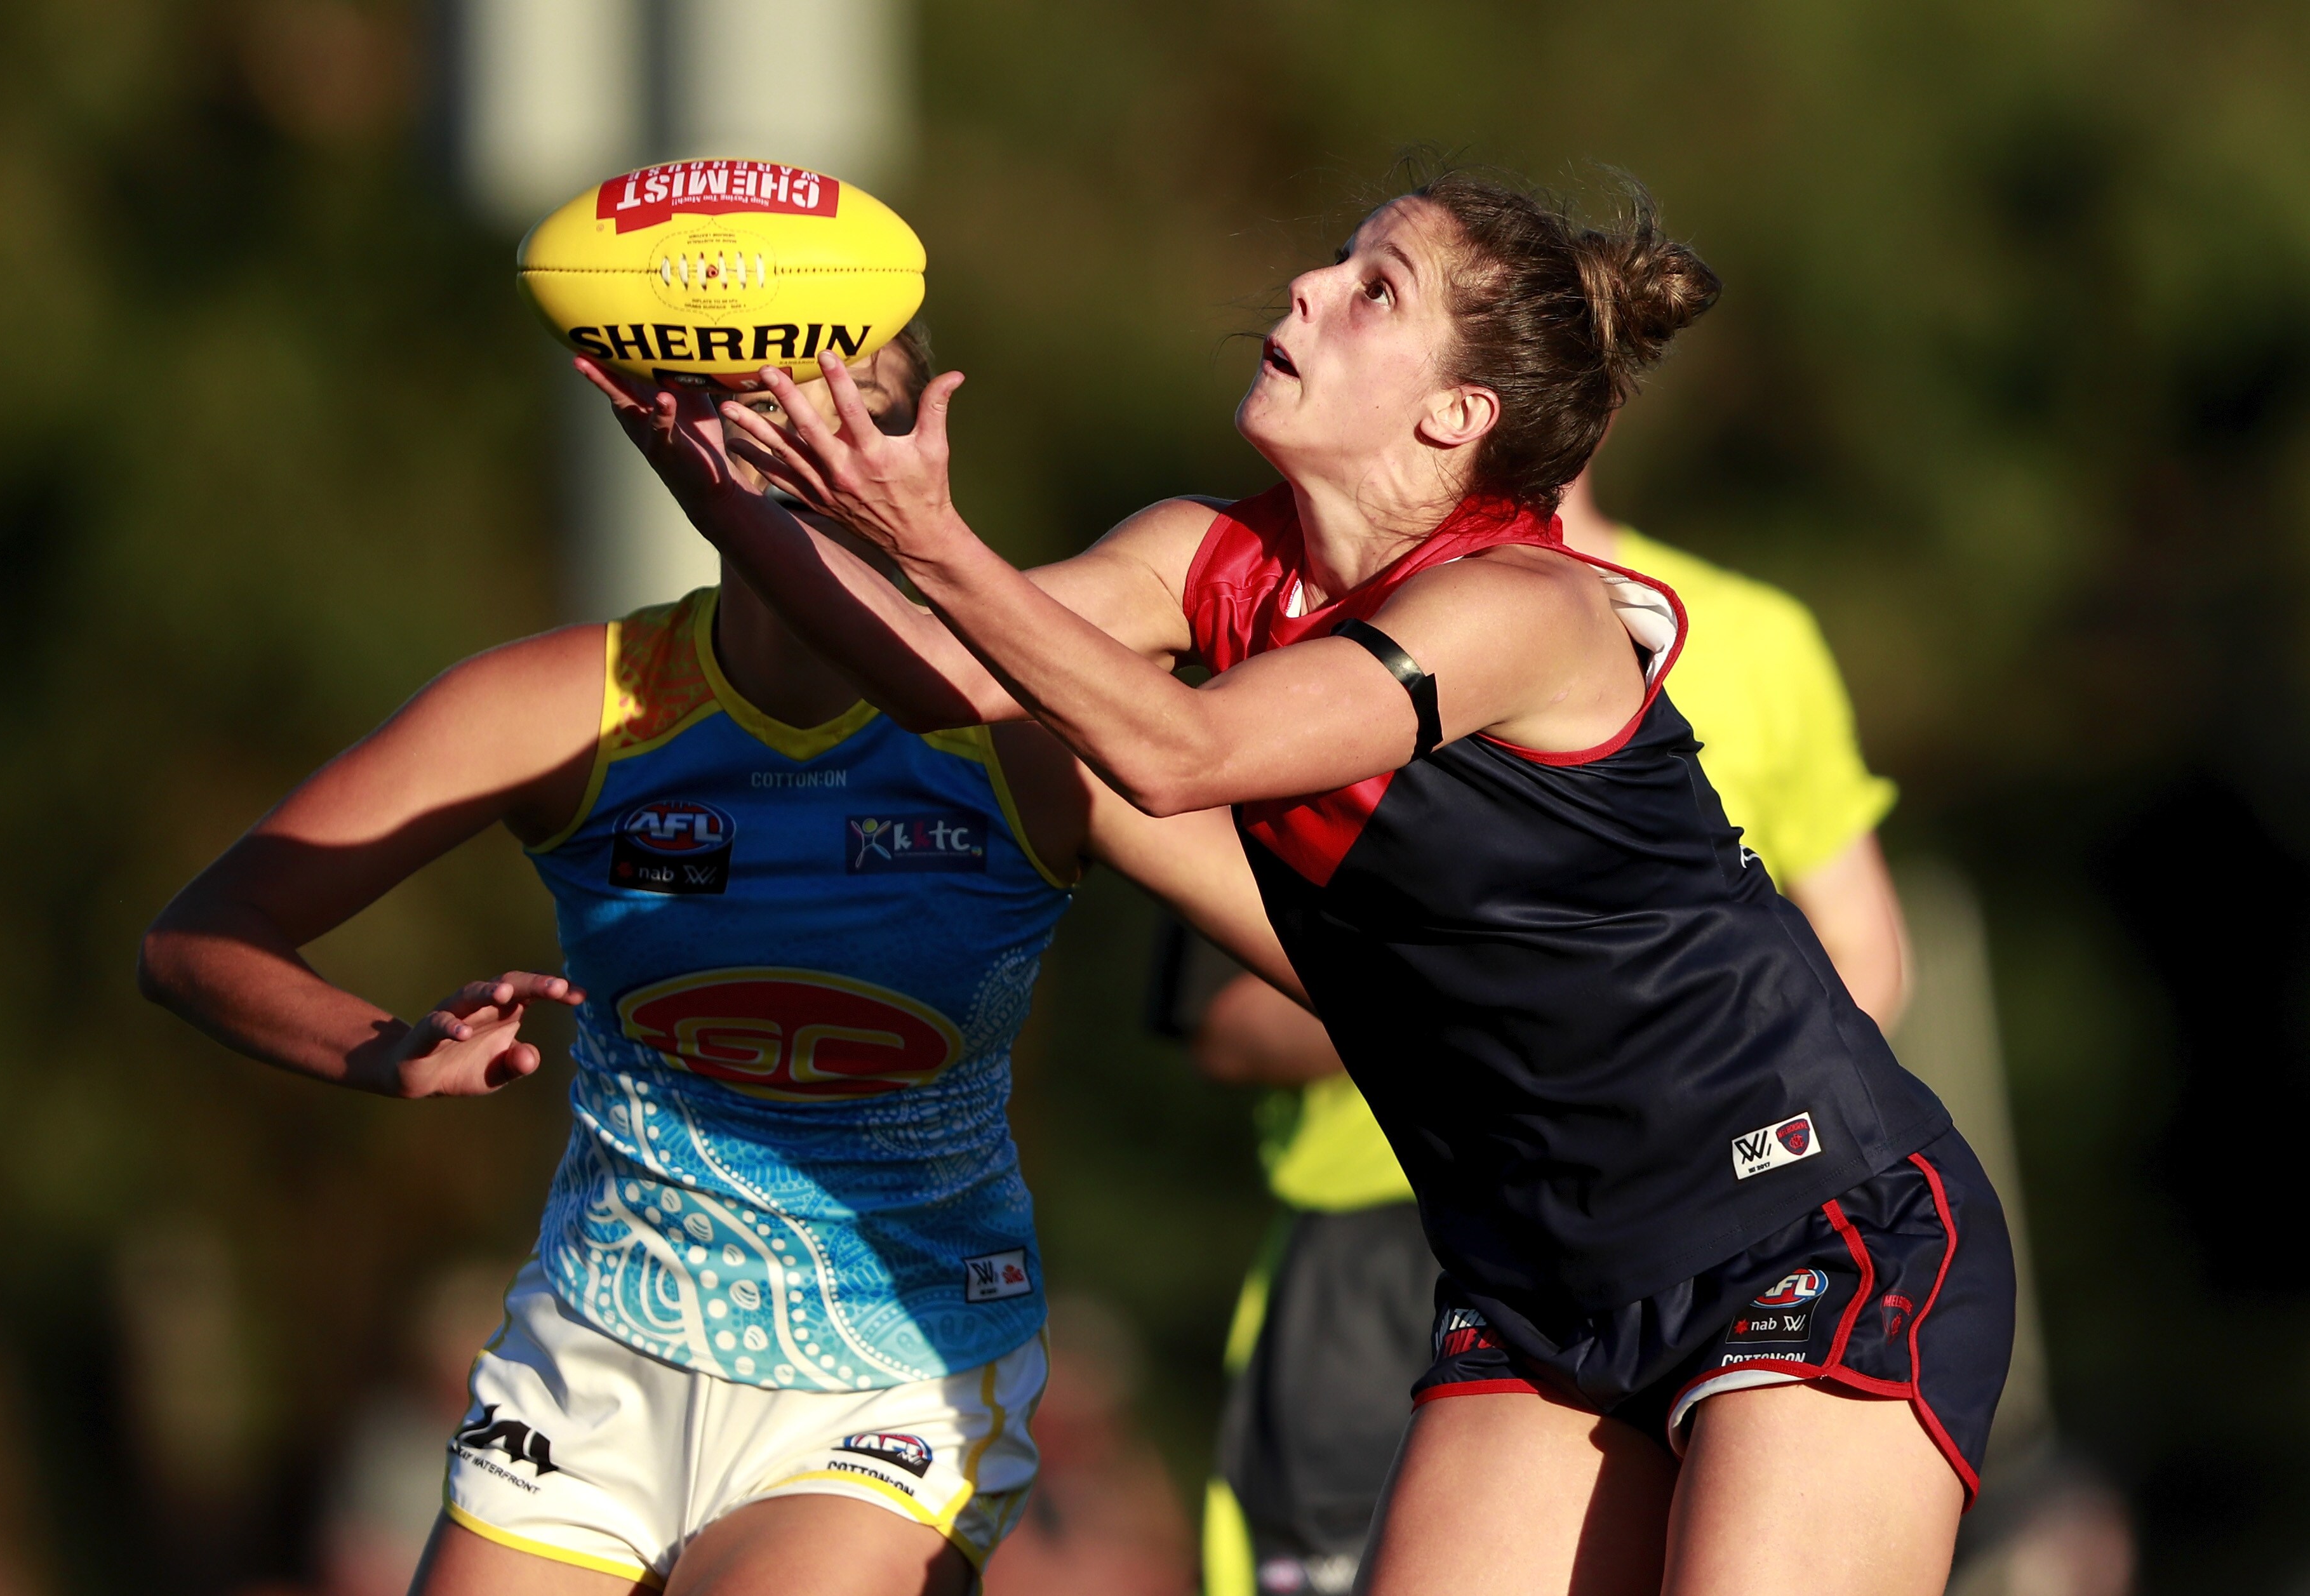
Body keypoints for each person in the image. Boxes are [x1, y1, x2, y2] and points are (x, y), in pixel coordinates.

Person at [587, 168, 2015, 1594]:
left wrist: (931, 537)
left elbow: (1181, 751)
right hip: (1540, 1279)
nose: (1306, 286)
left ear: (1457, 415)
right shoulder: (1204, 554)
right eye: (1336, 259)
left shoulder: (1525, 607)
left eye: (1373, 288)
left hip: (1807, 1223)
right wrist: (703, 462)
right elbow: (940, 674)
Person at [137, 329, 1305, 1596]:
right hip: (594, 1362)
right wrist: (383, 1049)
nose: (808, 438)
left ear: (923, 454)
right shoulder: (569, 704)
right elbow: (199, 935)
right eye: (766, 403)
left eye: (852, 405)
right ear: (693, 437)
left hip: (895, 1378)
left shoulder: (1036, 738)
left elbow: (1356, 967)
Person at [1170, 451, 1914, 1596]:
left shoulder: (1757, 636)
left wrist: (1696, 1096)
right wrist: (1496, 1000)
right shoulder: (1291, 630)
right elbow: (1224, 1022)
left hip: (1714, 1217)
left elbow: (1864, 957)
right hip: (1379, 1237)